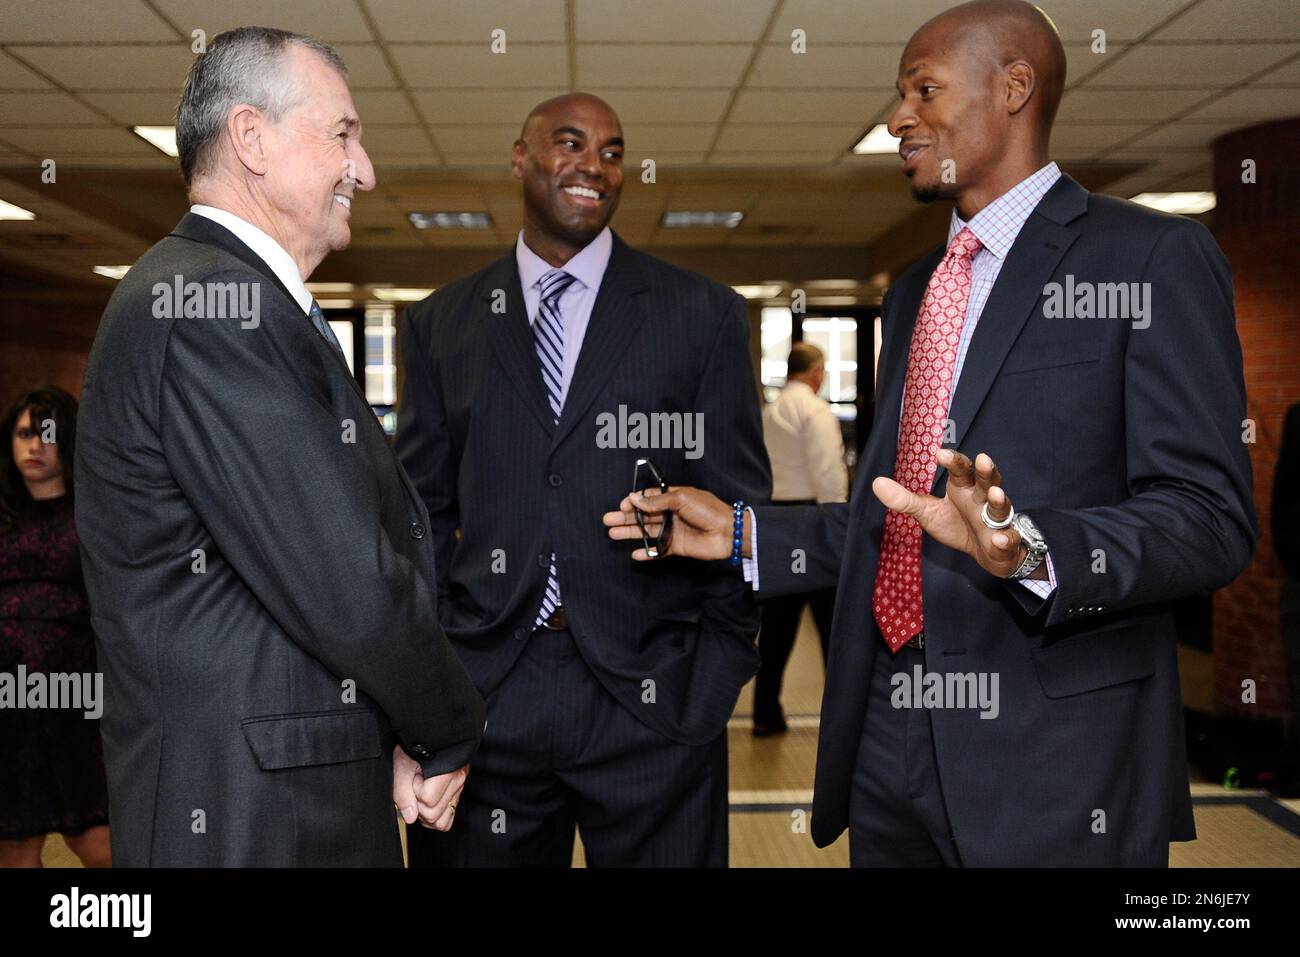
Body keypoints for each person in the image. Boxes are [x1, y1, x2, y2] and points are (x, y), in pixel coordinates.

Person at [606, 0, 1255, 866]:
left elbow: (1208, 518)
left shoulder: (1148, 259)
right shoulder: (916, 290)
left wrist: (1026, 548)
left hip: (1058, 758)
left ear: (1014, 87)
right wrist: (742, 533)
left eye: (923, 89)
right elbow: (900, 515)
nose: (897, 117)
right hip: (885, 734)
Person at [75, 27, 484, 867]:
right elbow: (342, 574)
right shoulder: (210, 305)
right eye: (344, 134)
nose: (363, 169)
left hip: (272, 792)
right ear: (251, 139)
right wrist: (447, 724)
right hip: (249, 812)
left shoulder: (229, 296)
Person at [395, 93, 770, 867]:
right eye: (569, 143)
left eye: (611, 151)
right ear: (520, 157)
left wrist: (713, 682)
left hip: (653, 699)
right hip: (488, 697)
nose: (593, 165)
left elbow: (739, 508)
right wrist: (431, 689)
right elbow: (420, 516)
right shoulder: (443, 323)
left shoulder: (701, 315)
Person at [0, 388, 110, 867]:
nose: (34, 446)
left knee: (99, 843)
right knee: (15, 848)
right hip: (7, 705)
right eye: (24, 433)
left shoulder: (99, 515)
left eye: (47, 433)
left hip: (77, 700)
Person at [753, 342, 847, 735]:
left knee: (775, 631)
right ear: (816, 373)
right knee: (833, 630)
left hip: (775, 519)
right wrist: (840, 524)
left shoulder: (767, 412)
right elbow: (828, 471)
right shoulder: (815, 409)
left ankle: (765, 715)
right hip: (814, 519)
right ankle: (841, 720)